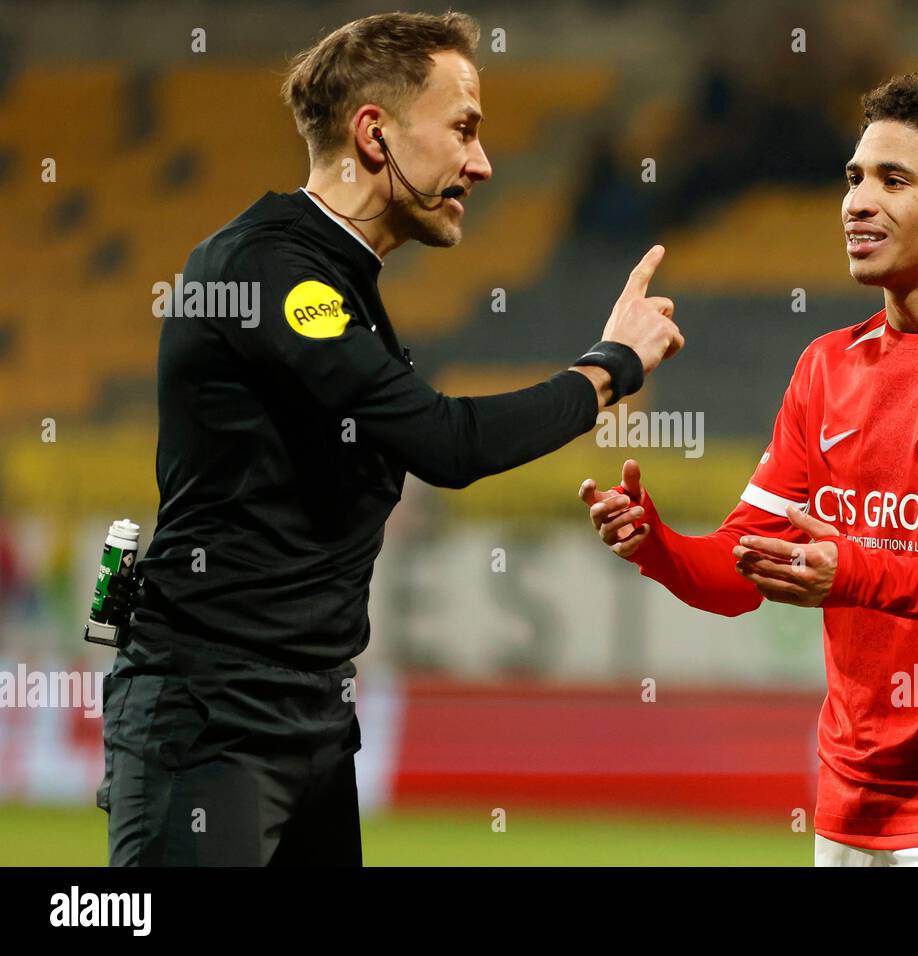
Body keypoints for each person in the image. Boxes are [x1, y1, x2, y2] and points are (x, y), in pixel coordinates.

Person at [98, 10, 682, 866]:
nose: (481, 164)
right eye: (464, 129)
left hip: (312, 721)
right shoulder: (263, 269)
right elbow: (446, 445)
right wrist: (609, 369)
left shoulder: (341, 284)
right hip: (210, 716)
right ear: (374, 134)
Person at [580, 68, 918, 867]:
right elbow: (739, 574)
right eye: (854, 178)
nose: (857, 202)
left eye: (893, 180)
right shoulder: (827, 366)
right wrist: (658, 546)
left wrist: (864, 574)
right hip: (848, 800)